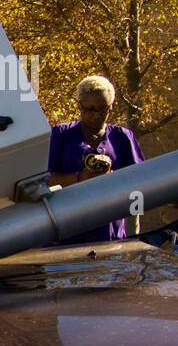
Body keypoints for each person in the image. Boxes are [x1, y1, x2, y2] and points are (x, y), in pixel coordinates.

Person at [47, 74, 146, 244]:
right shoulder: (62, 134)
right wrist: (79, 178)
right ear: (80, 106)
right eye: (90, 109)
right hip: (68, 228)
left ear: (111, 107)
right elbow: (45, 180)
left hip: (109, 229)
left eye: (102, 109)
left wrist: (111, 176)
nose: (96, 115)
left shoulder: (122, 137)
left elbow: (140, 182)